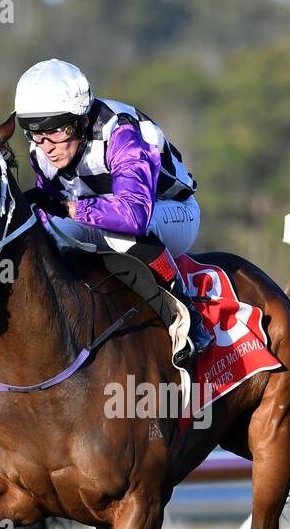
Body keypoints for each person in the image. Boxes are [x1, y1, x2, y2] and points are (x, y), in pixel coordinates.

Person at [13, 58, 214, 359]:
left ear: (80, 120)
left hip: (171, 211)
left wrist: (67, 208)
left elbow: (133, 215)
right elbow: (53, 213)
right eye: (33, 132)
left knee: (119, 234)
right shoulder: (41, 149)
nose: (45, 145)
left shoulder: (121, 133)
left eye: (54, 130)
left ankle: (187, 318)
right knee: (47, 236)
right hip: (107, 216)